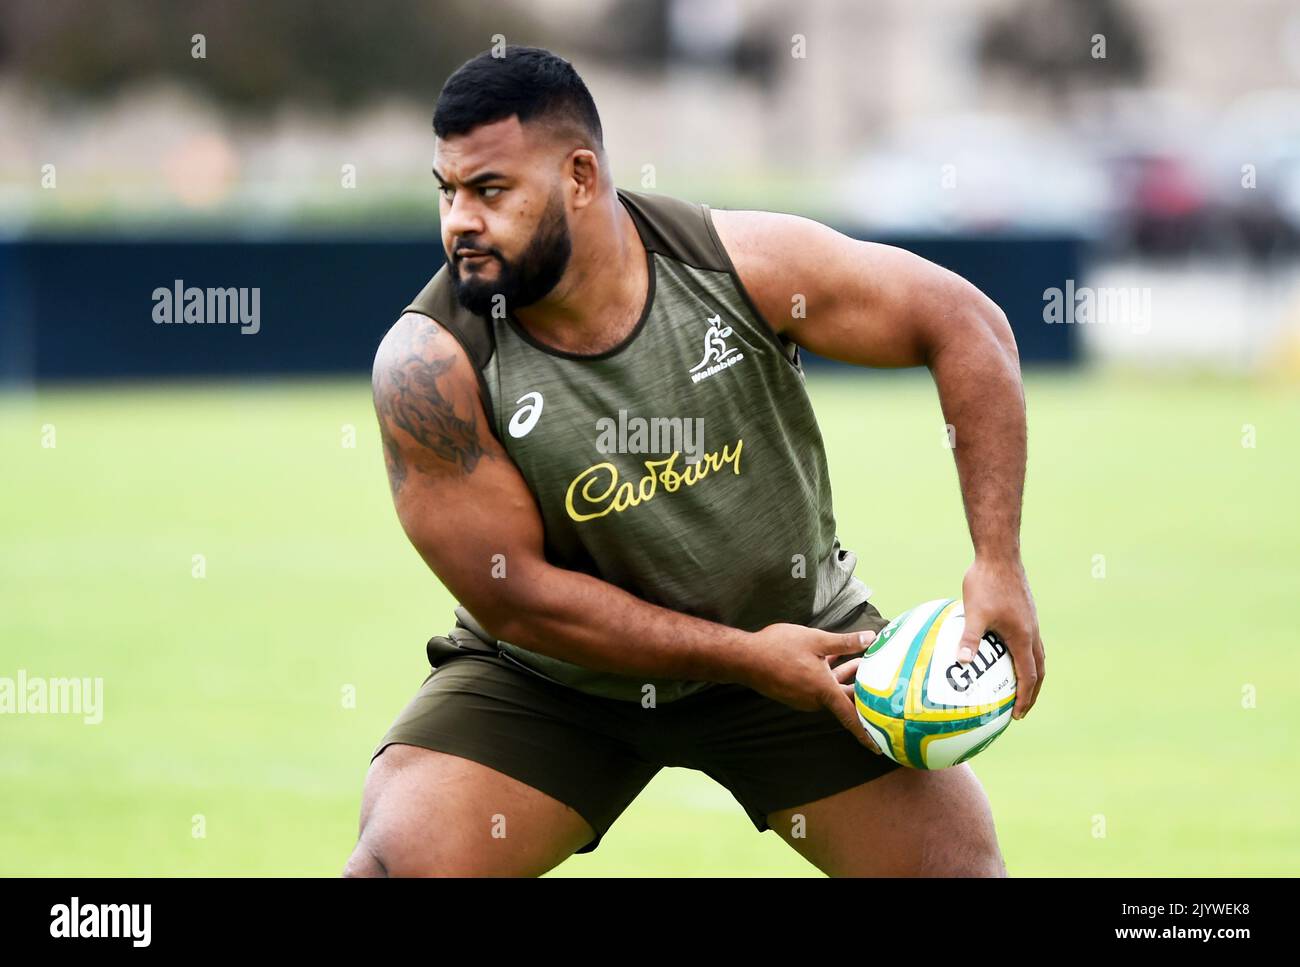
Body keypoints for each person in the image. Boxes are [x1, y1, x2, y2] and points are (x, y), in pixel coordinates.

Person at [345, 45, 1044, 877]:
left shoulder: (739, 266)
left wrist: (998, 563)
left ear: (578, 176)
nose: (460, 220)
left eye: (490, 190)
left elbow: (968, 327)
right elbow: (521, 601)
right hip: (557, 682)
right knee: (396, 868)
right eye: (446, 191)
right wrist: (746, 655)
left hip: (808, 652)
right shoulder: (429, 367)